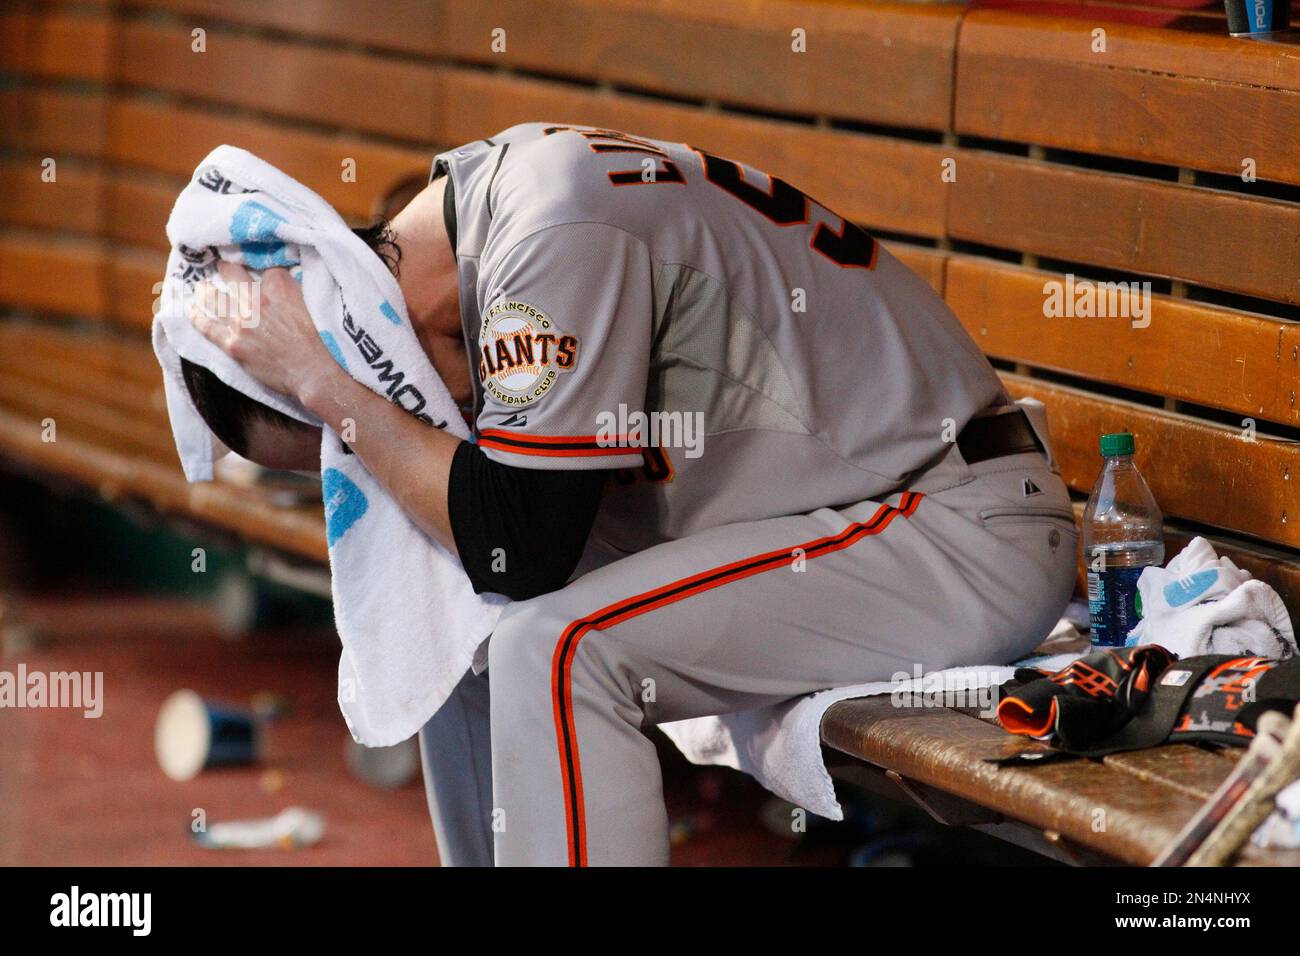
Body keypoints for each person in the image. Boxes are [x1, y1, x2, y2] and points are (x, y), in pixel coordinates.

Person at [185, 122, 1079, 866]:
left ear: (368, 342)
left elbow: (519, 546)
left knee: (560, 648)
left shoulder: (543, 231)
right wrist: (342, 399)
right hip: (853, 518)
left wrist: (329, 393)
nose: (373, 445)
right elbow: (494, 553)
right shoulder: (487, 223)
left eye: (348, 443)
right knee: (458, 616)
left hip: (953, 528)